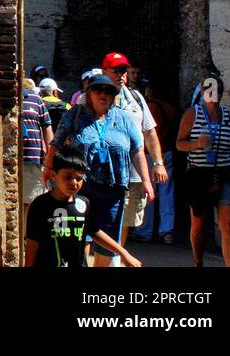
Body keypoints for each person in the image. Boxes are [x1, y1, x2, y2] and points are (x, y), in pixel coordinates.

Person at [44, 73, 151, 267]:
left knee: (108, 244)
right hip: (80, 188)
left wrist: (146, 180)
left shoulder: (123, 118)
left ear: (113, 95)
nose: (103, 94)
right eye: (98, 90)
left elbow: (137, 150)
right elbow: (56, 143)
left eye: (108, 91)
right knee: (79, 236)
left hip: (113, 190)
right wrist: (48, 168)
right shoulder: (75, 114)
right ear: (90, 93)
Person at [26, 143, 142, 267]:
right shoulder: (40, 205)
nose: (73, 182)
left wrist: (123, 253)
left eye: (79, 178)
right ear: (54, 176)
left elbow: (94, 231)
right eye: (67, 177)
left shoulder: (84, 203)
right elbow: (32, 243)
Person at [176, 73, 230, 267]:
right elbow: (179, 144)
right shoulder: (191, 114)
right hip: (199, 174)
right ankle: (198, 262)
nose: (213, 94)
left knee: (228, 224)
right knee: (199, 225)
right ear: (203, 92)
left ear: (221, 93)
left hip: (225, 173)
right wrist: (196, 143)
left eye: (217, 90)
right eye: (209, 90)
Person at [102, 52, 166, 249]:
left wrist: (158, 163)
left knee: (125, 222)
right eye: (116, 70)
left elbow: (149, 132)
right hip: (103, 172)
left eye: (124, 71)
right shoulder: (93, 97)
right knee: (102, 221)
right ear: (104, 71)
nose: (121, 75)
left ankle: (115, 259)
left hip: (133, 173)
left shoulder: (136, 98)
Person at [133, 75, 178, 244]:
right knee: (167, 192)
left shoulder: (151, 107)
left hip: (150, 154)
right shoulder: (171, 108)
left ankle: (144, 230)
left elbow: (149, 133)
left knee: (148, 192)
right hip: (167, 152)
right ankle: (167, 230)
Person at [22, 77, 54, 214]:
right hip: (10, 160)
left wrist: (50, 156)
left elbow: (47, 127)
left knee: (35, 203)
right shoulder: (4, 99)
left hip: (34, 159)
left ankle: (30, 235)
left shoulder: (35, 100)